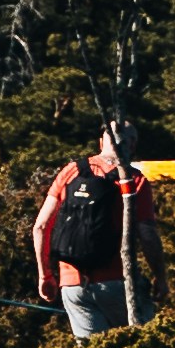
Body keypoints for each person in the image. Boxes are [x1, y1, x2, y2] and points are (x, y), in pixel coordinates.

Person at [32, 125, 143, 337]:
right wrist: (160, 278)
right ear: (133, 145)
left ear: (101, 143)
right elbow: (147, 233)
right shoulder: (134, 179)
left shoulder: (71, 171)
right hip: (117, 281)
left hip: (72, 285)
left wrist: (45, 275)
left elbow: (40, 227)